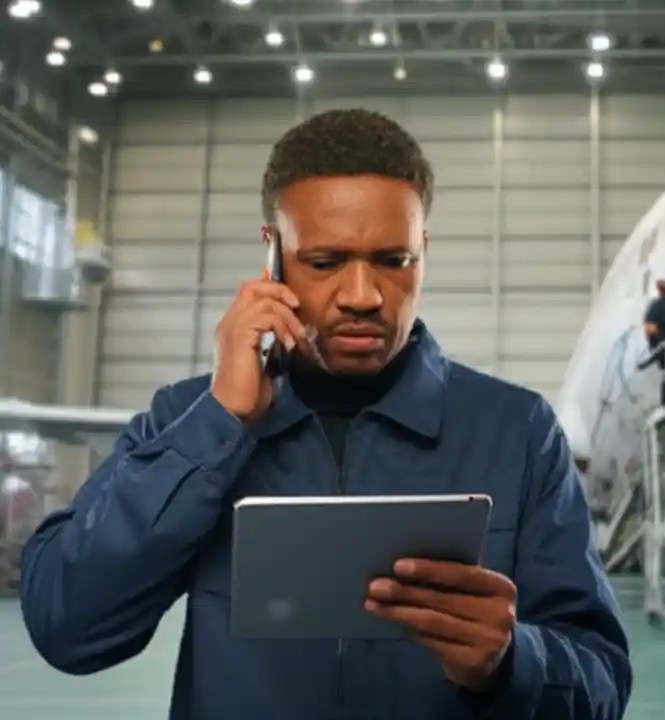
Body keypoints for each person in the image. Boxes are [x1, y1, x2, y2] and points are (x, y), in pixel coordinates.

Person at [19, 109, 631, 720]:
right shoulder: (186, 421)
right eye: (325, 261)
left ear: (424, 251)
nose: (362, 296)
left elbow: (602, 681)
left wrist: (512, 662)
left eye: (393, 262)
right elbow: (68, 627)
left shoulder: (516, 433)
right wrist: (218, 426)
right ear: (273, 254)